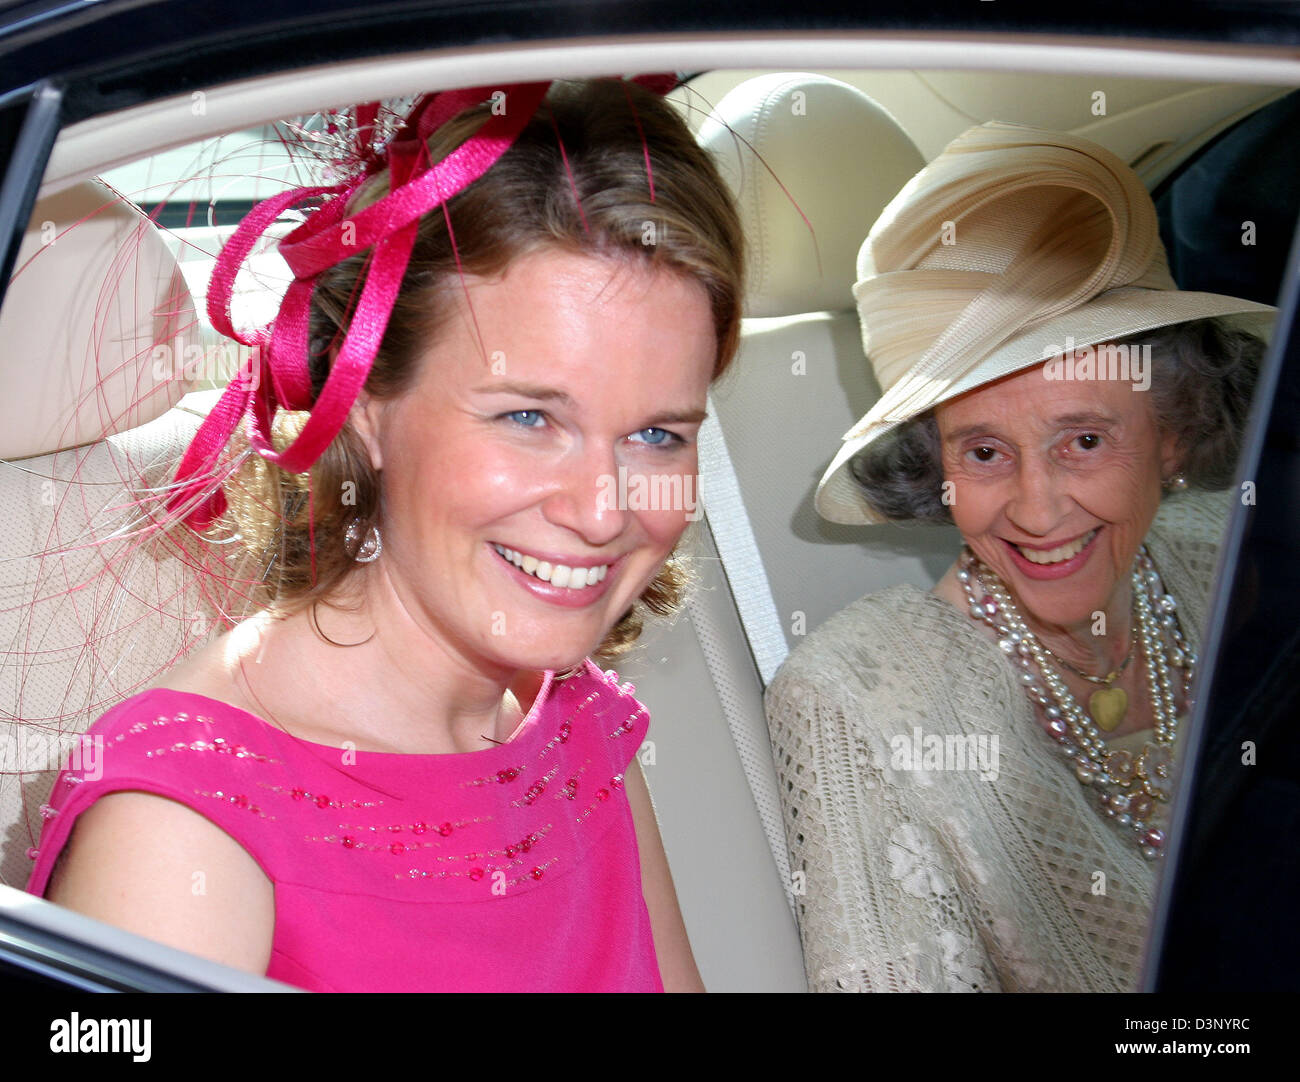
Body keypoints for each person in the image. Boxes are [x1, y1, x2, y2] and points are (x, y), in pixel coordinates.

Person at [24, 77, 744, 992]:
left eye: (656, 434)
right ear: (362, 400)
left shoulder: (570, 723)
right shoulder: (182, 837)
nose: (604, 512)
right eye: (528, 417)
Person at [764, 122, 1273, 992]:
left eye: (1083, 439)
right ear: (935, 470)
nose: (1037, 512)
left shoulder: (1240, 556)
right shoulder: (861, 698)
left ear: (1175, 435)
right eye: (985, 453)